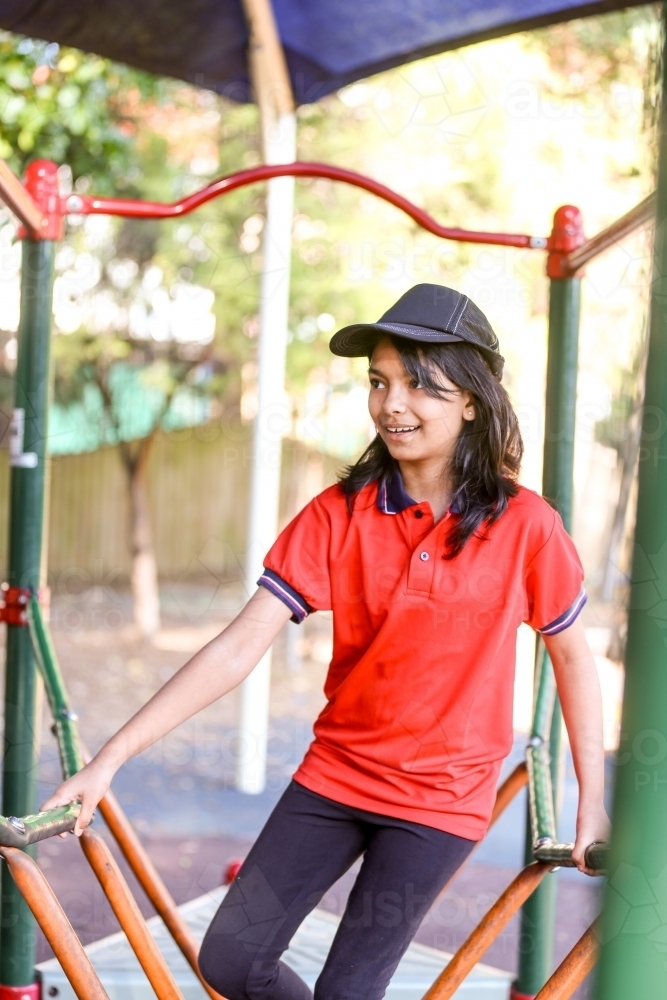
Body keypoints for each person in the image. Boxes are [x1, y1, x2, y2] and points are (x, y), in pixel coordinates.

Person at [44, 283, 609, 1000]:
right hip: (335, 774)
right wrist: (108, 759)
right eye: (379, 382)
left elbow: (571, 659)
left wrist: (590, 803)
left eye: (418, 386)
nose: (391, 404)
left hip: (439, 801)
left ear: (470, 398)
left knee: (349, 991)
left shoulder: (526, 526)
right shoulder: (339, 512)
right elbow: (237, 645)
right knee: (228, 958)